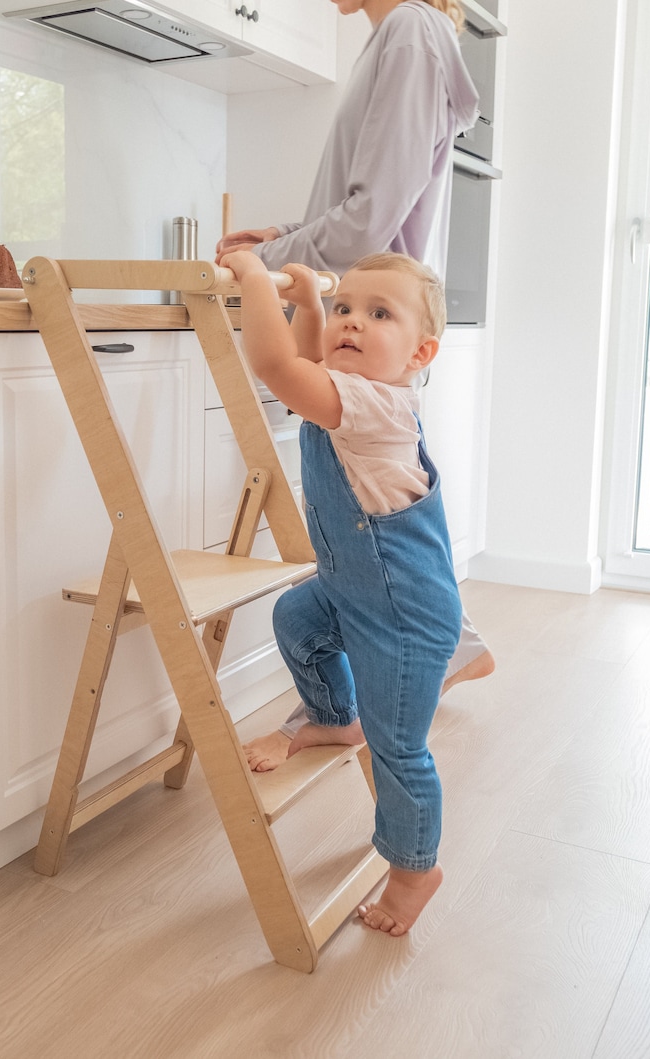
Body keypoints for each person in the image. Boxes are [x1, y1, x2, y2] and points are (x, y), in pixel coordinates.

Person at [217, 0, 495, 772]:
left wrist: (262, 273)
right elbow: (368, 208)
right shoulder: (397, 36)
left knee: (382, 524)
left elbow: (370, 222)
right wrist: (289, 253)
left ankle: (428, 663)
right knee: (378, 514)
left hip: (372, 359)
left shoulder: (408, 28)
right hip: (369, 349)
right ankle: (439, 650)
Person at [221, 248, 461, 935]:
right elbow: (306, 364)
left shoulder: (377, 405)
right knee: (295, 617)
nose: (353, 323)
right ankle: (332, 714)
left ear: (420, 352)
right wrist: (307, 303)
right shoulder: (347, 386)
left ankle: (416, 870)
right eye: (347, 307)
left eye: (378, 314)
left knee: (399, 749)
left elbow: (277, 370)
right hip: (348, 589)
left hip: (405, 621)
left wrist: (257, 280)